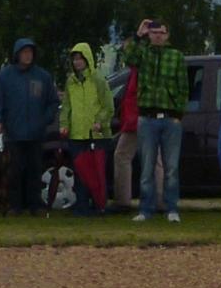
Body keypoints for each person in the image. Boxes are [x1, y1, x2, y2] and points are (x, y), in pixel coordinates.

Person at [115, 16, 188, 223]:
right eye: (154, 32)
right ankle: (145, 209)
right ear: (150, 35)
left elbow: (183, 87)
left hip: (170, 119)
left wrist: (178, 115)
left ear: (167, 35)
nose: (157, 36)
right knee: (146, 167)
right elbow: (128, 58)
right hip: (146, 118)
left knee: (171, 168)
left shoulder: (176, 56)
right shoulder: (143, 54)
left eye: (161, 32)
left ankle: (171, 208)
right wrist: (138, 36)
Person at [0, 37, 60, 216]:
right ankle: (14, 205)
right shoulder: (5, 76)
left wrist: (45, 119)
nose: (28, 56)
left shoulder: (43, 76)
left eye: (30, 52)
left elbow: (53, 102)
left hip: (36, 133)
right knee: (14, 171)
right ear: (17, 55)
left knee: (35, 171)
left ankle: (36, 205)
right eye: (24, 52)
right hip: (14, 133)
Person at [59, 41, 114, 215]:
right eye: (74, 59)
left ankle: (99, 204)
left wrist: (100, 122)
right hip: (77, 134)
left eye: (80, 59)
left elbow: (108, 106)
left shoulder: (98, 80)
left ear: (87, 59)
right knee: (80, 172)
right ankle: (82, 204)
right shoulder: (70, 82)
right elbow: (67, 106)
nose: (77, 62)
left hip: (97, 135)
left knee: (97, 172)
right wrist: (64, 125)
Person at [106, 56, 141, 213]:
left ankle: (123, 200)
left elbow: (133, 99)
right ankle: (159, 200)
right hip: (135, 121)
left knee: (121, 156)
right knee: (155, 159)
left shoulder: (139, 72)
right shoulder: (135, 72)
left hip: (134, 122)